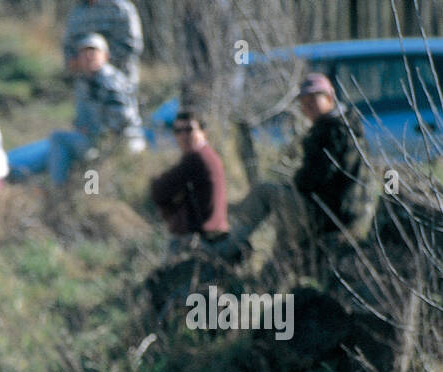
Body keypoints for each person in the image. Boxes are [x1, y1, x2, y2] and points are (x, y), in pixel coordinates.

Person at [210, 73, 376, 265]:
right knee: (284, 213)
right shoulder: (349, 126)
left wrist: (294, 184)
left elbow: (314, 178)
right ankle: (272, 274)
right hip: (346, 213)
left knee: (265, 192)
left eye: (313, 100)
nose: (307, 107)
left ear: (329, 98)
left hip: (331, 215)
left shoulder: (332, 131)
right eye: (304, 102)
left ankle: (227, 248)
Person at [32, 34, 143, 186]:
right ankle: (67, 192)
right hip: (97, 139)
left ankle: (60, 192)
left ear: (105, 55)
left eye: (94, 51)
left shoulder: (109, 80)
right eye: (84, 52)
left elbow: (122, 120)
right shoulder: (85, 80)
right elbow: (83, 118)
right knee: (62, 145)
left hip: (119, 143)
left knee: (59, 139)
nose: (89, 56)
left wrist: (96, 132)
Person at [149, 109, 228, 253]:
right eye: (178, 131)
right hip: (214, 233)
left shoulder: (195, 158)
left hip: (202, 240)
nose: (183, 135)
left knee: (167, 274)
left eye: (189, 129)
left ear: (203, 132)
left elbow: (159, 190)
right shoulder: (209, 155)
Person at [63, 0, 143, 90]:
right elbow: (68, 45)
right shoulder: (77, 11)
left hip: (119, 85)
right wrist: (75, 61)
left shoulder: (120, 8)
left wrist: (100, 60)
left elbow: (132, 46)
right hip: (85, 88)